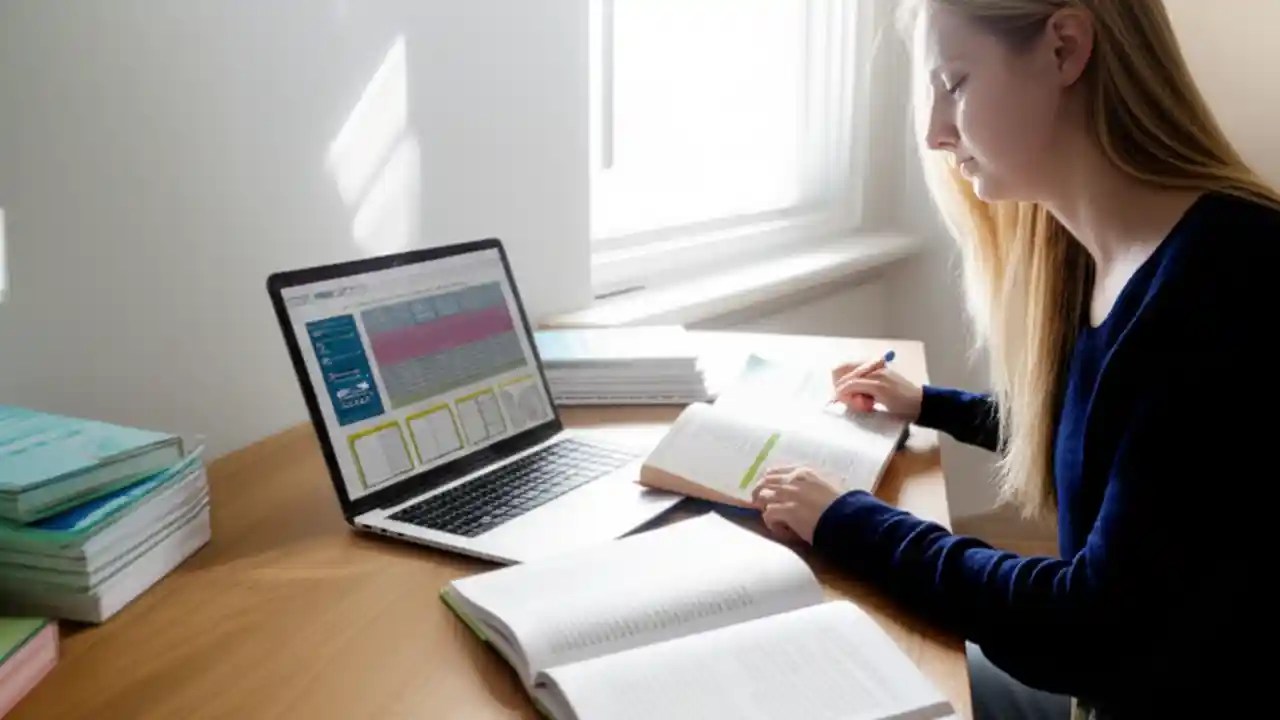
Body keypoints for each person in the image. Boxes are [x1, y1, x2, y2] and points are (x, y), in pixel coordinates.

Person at [750, 1, 1280, 717]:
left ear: (1064, 47)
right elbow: (1121, 442)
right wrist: (933, 405)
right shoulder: (1111, 259)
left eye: (954, 83)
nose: (936, 132)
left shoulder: (1231, 280)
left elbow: (1087, 626)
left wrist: (851, 520)